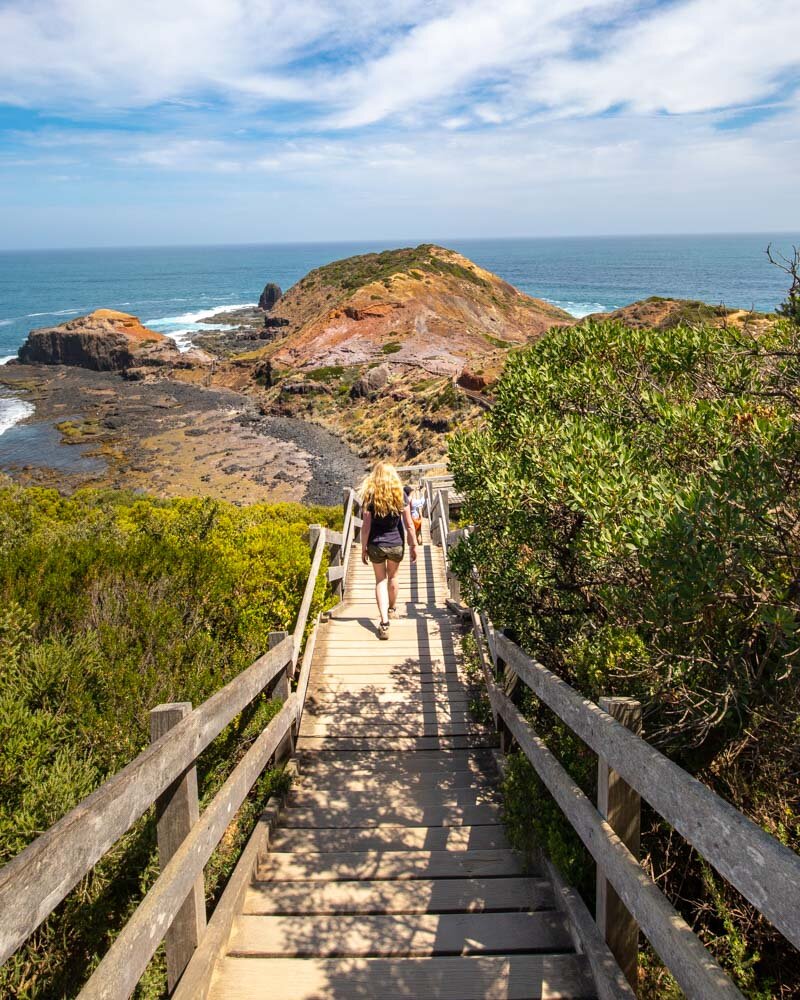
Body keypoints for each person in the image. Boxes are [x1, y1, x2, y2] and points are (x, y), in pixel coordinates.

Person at [360, 461, 418, 639]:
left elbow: (366, 527)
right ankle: (392, 609)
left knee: (380, 580)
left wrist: (363, 547)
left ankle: (384, 621)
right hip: (396, 544)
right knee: (393, 577)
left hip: (376, 545)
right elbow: (409, 524)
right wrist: (413, 545)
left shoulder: (370, 495)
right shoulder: (400, 495)